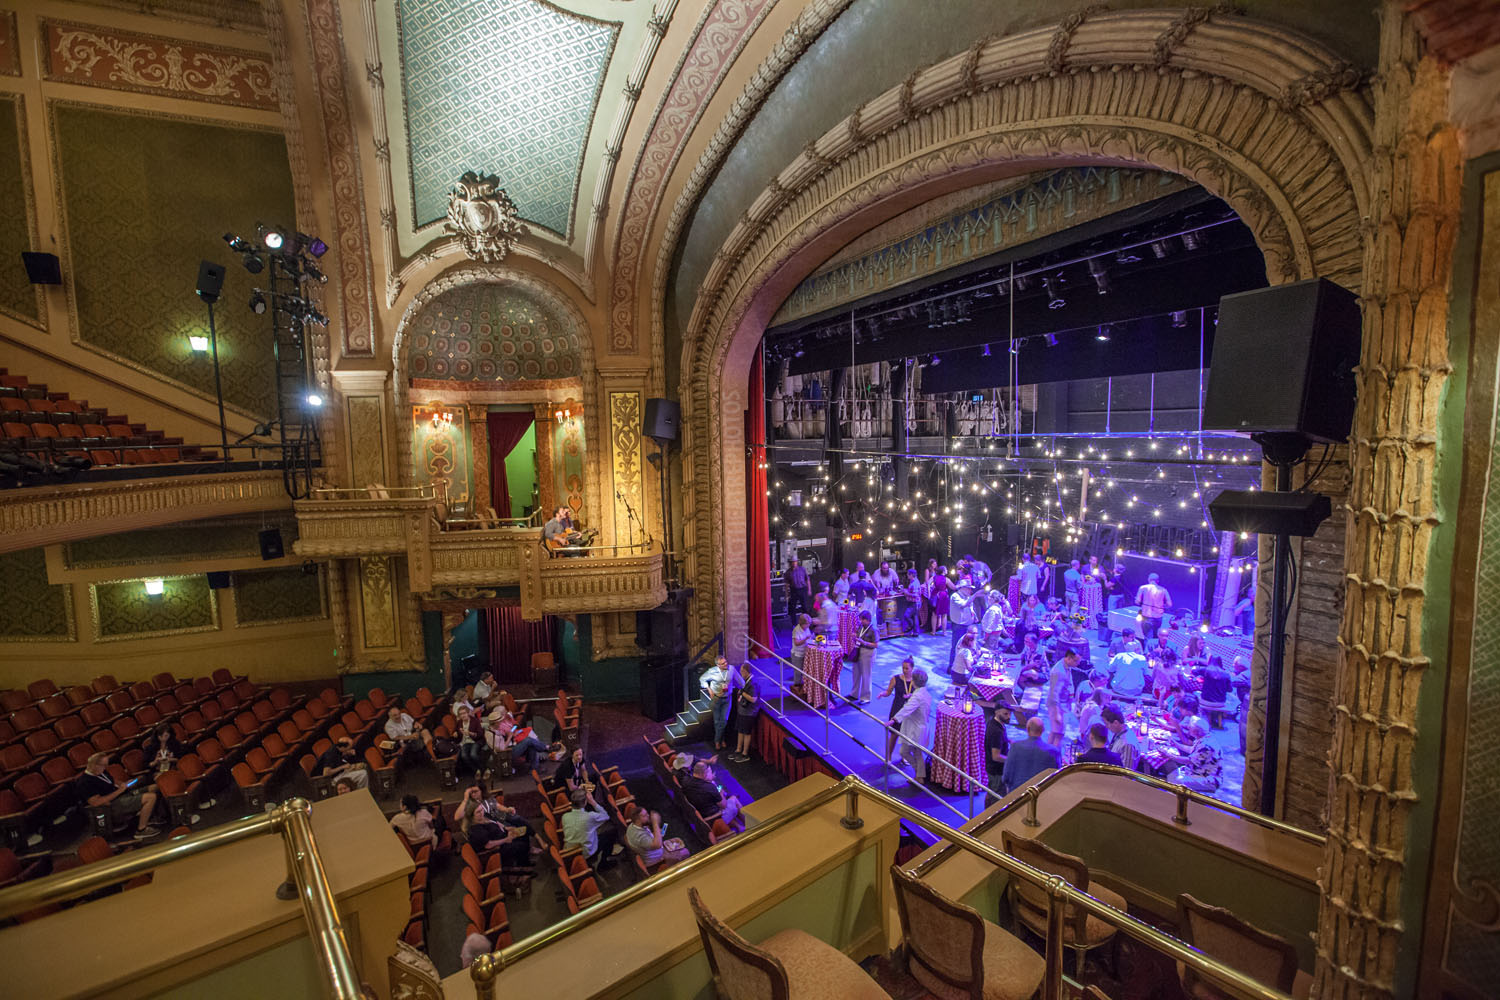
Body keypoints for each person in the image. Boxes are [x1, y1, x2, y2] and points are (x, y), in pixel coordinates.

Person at [76, 752, 159, 839]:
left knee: (155, 787)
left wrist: (124, 784)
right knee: (150, 797)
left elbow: (112, 781)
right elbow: (96, 802)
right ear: (94, 765)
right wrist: (119, 791)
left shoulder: (101, 772)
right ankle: (141, 829)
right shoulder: (84, 782)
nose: (105, 767)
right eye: (103, 765)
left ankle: (151, 817)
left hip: (123, 795)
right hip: (113, 806)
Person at [458, 785, 536, 866]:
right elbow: (488, 845)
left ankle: (523, 859)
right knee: (522, 845)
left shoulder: (484, 817)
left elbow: (497, 824)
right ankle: (523, 868)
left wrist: (508, 830)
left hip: (503, 835)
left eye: (481, 810)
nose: (481, 813)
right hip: (497, 848)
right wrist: (506, 839)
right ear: (471, 815)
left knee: (524, 832)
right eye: (478, 812)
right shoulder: (476, 829)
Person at [562, 786, 623, 868]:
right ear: (585, 802)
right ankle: (603, 864)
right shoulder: (589, 816)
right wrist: (593, 802)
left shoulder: (565, 816)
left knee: (596, 830)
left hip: (569, 850)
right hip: (586, 852)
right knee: (611, 830)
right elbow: (606, 816)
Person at [893, 668, 934, 782]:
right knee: (917, 753)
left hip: (915, 729)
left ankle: (919, 773)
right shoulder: (925, 693)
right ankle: (919, 777)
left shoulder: (917, 696)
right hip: (922, 727)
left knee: (904, 752)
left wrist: (894, 719)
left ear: (913, 681)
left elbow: (907, 709)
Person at [1001, 717, 1062, 792]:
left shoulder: (1015, 747)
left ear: (1028, 728)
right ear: (1043, 730)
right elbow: (1056, 778)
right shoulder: (1054, 751)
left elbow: (1006, 776)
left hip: (1017, 797)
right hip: (1041, 796)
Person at [681, 759, 743, 827]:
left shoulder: (686, 781)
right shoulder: (709, 787)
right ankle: (749, 823)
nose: (711, 773)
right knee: (734, 799)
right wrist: (721, 793)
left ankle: (739, 827)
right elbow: (723, 805)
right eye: (709, 772)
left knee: (729, 800)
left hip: (700, 813)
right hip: (714, 818)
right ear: (704, 773)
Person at [626, 808, 690, 868]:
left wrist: (658, 833)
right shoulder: (639, 836)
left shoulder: (632, 826)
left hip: (652, 850)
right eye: (645, 815)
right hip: (656, 859)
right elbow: (658, 845)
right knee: (685, 852)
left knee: (674, 843)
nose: (648, 816)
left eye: (647, 813)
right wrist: (655, 823)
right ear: (637, 820)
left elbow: (648, 838)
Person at [881, 658, 917, 763]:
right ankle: (888, 757)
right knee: (894, 735)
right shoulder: (895, 679)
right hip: (897, 709)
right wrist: (882, 694)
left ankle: (904, 757)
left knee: (907, 736)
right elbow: (888, 692)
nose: (904, 670)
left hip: (910, 712)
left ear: (912, 668)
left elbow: (919, 695)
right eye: (903, 668)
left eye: (907, 668)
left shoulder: (916, 681)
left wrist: (912, 695)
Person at [700, 656, 732, 752]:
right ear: (718, 665)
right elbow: (702, 679)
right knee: (717, 721)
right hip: (716, 699)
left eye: (726, 662)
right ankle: (721, 740)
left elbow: (740, 681)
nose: (725, 664)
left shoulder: (732, 669)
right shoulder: (712, 671)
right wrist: (709, 689)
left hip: (727, 699)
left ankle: (717, 740)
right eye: (723, 663)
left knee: (724, 721)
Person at [1046, 649, 1077, 747]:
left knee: (1056, 731)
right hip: (1058, 706)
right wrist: (1057, 713)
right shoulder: (1058, 671)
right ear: (1069, 658)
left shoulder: (1067, 666)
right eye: (1076, 661)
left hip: (1063, 704)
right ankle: (1052, 755)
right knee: (1058, 733)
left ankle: (1048, 753)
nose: (1078, 663)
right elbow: (1053, 694)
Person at [730, 661, 760, 761]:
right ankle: (738, 750)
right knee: (740, 730)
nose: (741, 673)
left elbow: (753, 698)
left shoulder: (753, 683)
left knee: (746, 732)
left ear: (747, 671)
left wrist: (742, 693)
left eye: (742, 671)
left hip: (749, 713)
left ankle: (745, 754)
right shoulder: (746, 681)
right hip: (742, 711)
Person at [947, 577, 978, 672]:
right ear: (962, 588)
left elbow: (970, 608)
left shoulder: (968, 597)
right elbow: (963, 605)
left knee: (967, 647)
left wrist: (974, 615)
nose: (970, 590)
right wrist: (975, 595)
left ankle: (963, 667)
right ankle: (952, 667)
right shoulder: (955, 596)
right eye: (969, 588)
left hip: (968, 626)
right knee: (957, 646)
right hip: (959, 626)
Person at [453, 703, 490, 777]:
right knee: (464, 756)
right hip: (465, 742)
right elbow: (456, 732)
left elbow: (480, 734)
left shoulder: (475, 721)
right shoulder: (459, 723)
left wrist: (470, 733)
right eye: (461, 714)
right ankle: (476, 770)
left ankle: (485, 769)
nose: (463, 715)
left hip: (476, 741)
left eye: (464, 713)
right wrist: (455, 734)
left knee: (473, 754)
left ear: (468, 713)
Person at [1101, 703, 1142, 771]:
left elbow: (1126, 772)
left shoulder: (1128, 745)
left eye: (1107, 724)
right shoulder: (1119, 732)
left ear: (1116, 723)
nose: (1106, 727)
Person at [984, 702, 1012, 795]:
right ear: (997, 712)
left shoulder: (994, 722)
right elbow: (996, 756)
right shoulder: (997, 732)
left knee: (991, 792)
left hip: (993, 768)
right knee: (996, 796)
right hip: (996, 771)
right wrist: (1012, 760)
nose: (1009, 716)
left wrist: (1008, 740)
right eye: (1005, 714)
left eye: (1009, 713)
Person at [1135, 573, 1172, 640]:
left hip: (1147, 617)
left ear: (1148, 579)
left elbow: (1137, 601)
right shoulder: (1163, 590)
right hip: (1158, 617)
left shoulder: (1143, 588)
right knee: (1156, 638)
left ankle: (1148, 650)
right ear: (1158, 581)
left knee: (1148, 638)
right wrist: (1161, 605)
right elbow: (1169, 604)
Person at [850, 611, 877, 703]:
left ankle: (865, 697)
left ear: (868, 620)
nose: (860, 621)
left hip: (868, 653)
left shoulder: (874, 629)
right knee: (856, 673)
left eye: (862, 619)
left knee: (866, 675)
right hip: (858, 650)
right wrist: (855, 637)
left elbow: (876, 645)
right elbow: (859, 636)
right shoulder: (861, 627)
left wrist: (864, 642)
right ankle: (854, 693)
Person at [790, 613, 812, 680]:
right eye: (807, 624)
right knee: (798, 673)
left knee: (805, 671)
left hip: (805, 653)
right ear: (802, 623)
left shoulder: (807, 628)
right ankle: (797, 687)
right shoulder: (796, 630)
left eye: (809, 624)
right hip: (797, 655)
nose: (808, 625)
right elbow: (796, 643)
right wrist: (805, 639)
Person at [900, 568, 923, 634]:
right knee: (915, 617)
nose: (907, 575)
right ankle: (916, 632)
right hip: (914, 602)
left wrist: (906, 593)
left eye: (908, 574)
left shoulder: (915, 583)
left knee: (906, 615)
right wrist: (906, 590)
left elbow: (915, 595)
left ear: (911, 575)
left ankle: (911, 626)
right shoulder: (913, 581)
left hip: (914, 603)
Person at [928, 566, 950, 633]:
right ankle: (944, 632)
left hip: (935, 595)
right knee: (944, 614)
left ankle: (933, 632)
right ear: (943, 571)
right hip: (943, 596)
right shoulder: (946, 579)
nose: (947, 570)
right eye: (946, 569)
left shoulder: (934, 577)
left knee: (934, 614)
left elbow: (928, 583)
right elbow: (953, 587)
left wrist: (929, 592)